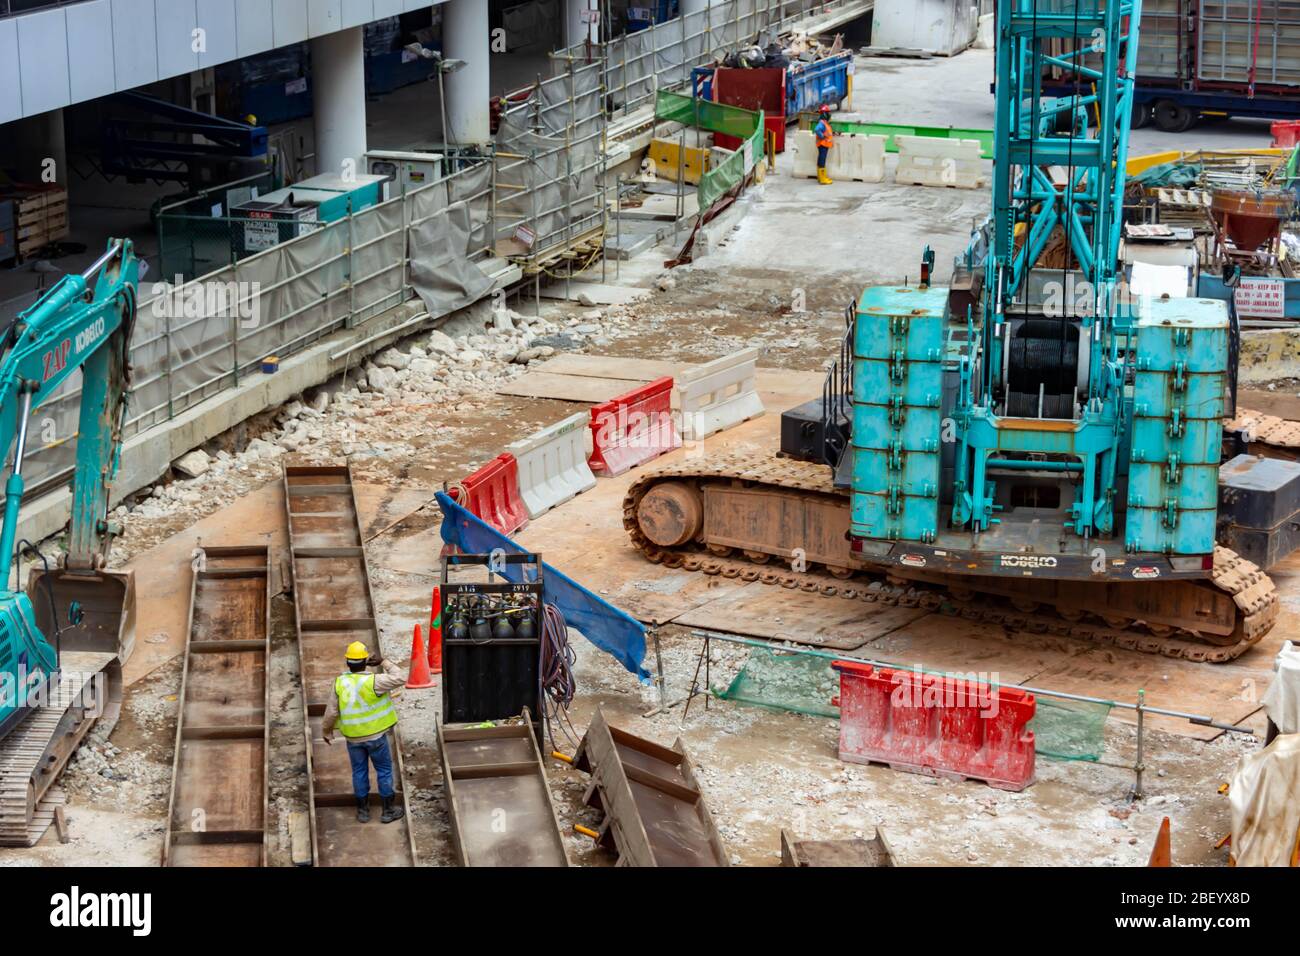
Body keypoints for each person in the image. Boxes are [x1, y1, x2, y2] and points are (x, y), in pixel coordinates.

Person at [322, 641, 407, 824]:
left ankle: (363, 811)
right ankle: (387, 810)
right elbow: (400, 677)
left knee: (359, 771)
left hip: (353, 739)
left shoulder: (340, 682)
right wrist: (384, 662)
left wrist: (327, 732)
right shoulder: (374, 681)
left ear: (347, 662)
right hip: (376, 738)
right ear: (366, 661)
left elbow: (331, 711)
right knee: (384, 770)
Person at [814, 103, 834, 185]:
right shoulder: (822, 123)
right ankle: (822, 179)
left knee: (821, 160)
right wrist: (822, 137)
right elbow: (817, 130)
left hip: (824, 144)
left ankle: (821, 177)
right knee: (822, 160)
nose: (829, 114)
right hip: (823, 144)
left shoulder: (824, 123)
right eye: (828, 112)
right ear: (824, 114)